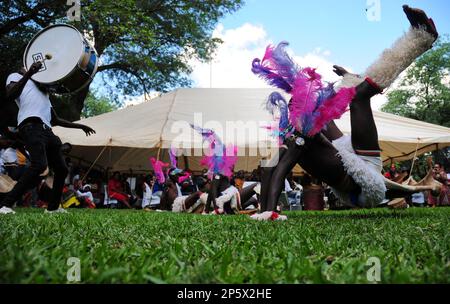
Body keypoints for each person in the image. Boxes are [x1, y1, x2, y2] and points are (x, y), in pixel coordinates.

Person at [251, 5, 440, 220]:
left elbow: (270, 171)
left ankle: (420, 38)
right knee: (357, 97)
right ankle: (421, 38)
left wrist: (349, 80)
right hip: (363, 184)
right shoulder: (301, 133)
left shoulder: (303, 127)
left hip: (350, 160)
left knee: (352, 95)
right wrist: (269, 212)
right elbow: (276, 171)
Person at [0, 61, 96, 215]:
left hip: (47, 130)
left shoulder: (43, 91)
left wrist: (80, 126)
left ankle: (53, 208)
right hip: (30, 125)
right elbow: (11, 94)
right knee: (39, 165)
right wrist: (29, 73)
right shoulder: (16, 77)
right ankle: (5, 205)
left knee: (62, 169)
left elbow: (55, 119)